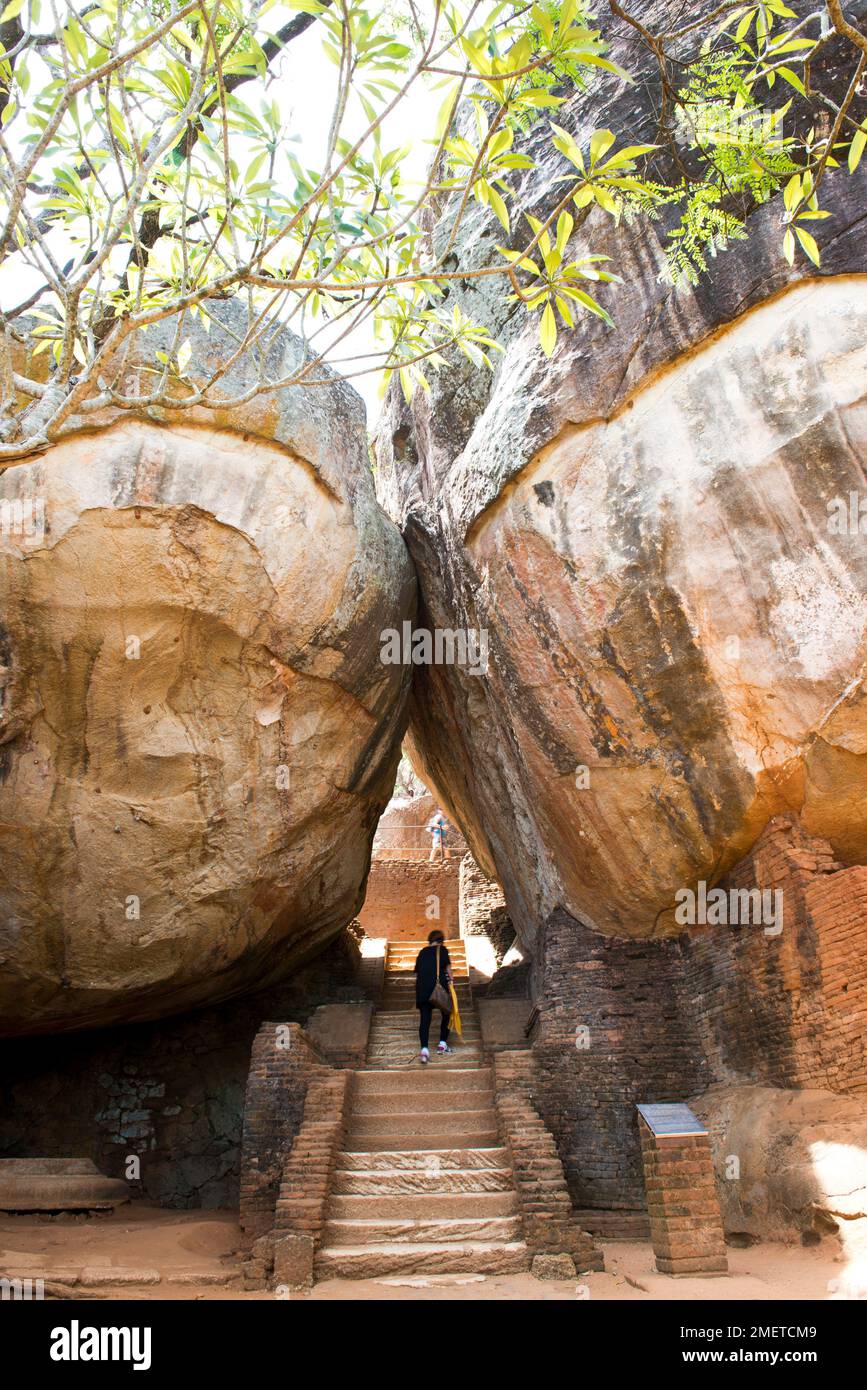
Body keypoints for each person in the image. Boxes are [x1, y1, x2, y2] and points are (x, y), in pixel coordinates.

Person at [414, 929, 453, 1064]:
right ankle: (442, 1044)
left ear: (430, 940)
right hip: (439, 987)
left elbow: (417, 972)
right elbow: (448, 970)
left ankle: (424, 1050)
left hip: (423, 989)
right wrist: (451, 984)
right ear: (441, 940)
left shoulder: (422, 952)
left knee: (425, 1019)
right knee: (447, 1013)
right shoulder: (442, 950)